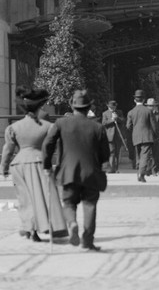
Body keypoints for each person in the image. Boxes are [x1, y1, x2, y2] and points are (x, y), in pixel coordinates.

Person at [43, 89, 109, 251]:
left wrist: (46, 166)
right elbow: (105, 154)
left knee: (69, 203)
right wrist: (99, 164)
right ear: (88, 108)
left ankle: (72, 223)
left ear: (72, 106)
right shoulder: (98, 127)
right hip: (91, 173)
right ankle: (87, 241)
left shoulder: (60, 124)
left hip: (68, 172)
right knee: (90, 205)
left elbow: (48, 144)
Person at [0, 88, 68, 242]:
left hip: (19, 164)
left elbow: (8, 149)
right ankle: (45, 226)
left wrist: (4, 167)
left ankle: (29, 228)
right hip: (40, 162)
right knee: (42, 197)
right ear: (39, 107)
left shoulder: (14, 127)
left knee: (25, 198)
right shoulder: (47, 126)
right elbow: (54, 147)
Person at [126, 90, 156, 183]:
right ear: (144, 100)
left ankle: (139, 171)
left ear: (135, 100)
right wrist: (156, 135)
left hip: (136, 137)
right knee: (144, 156)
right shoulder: (148, 111)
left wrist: (134, 130)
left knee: (138, 156)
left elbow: (128, 126)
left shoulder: (131, 112)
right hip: (147, 136)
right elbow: (153, 125)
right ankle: (141, 174)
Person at [100, 100, 129, 174]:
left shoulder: (119, 112)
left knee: (117, 152)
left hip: (118, 135)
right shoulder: (105, 113)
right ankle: (111, 169)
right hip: (109, 136)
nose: (113, 108)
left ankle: (116, 169)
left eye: (114, 107)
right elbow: (103, 123)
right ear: (108, 106)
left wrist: (117, 118)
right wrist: (112, 120)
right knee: (111, 152)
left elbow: (123, 120)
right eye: (111, 107)